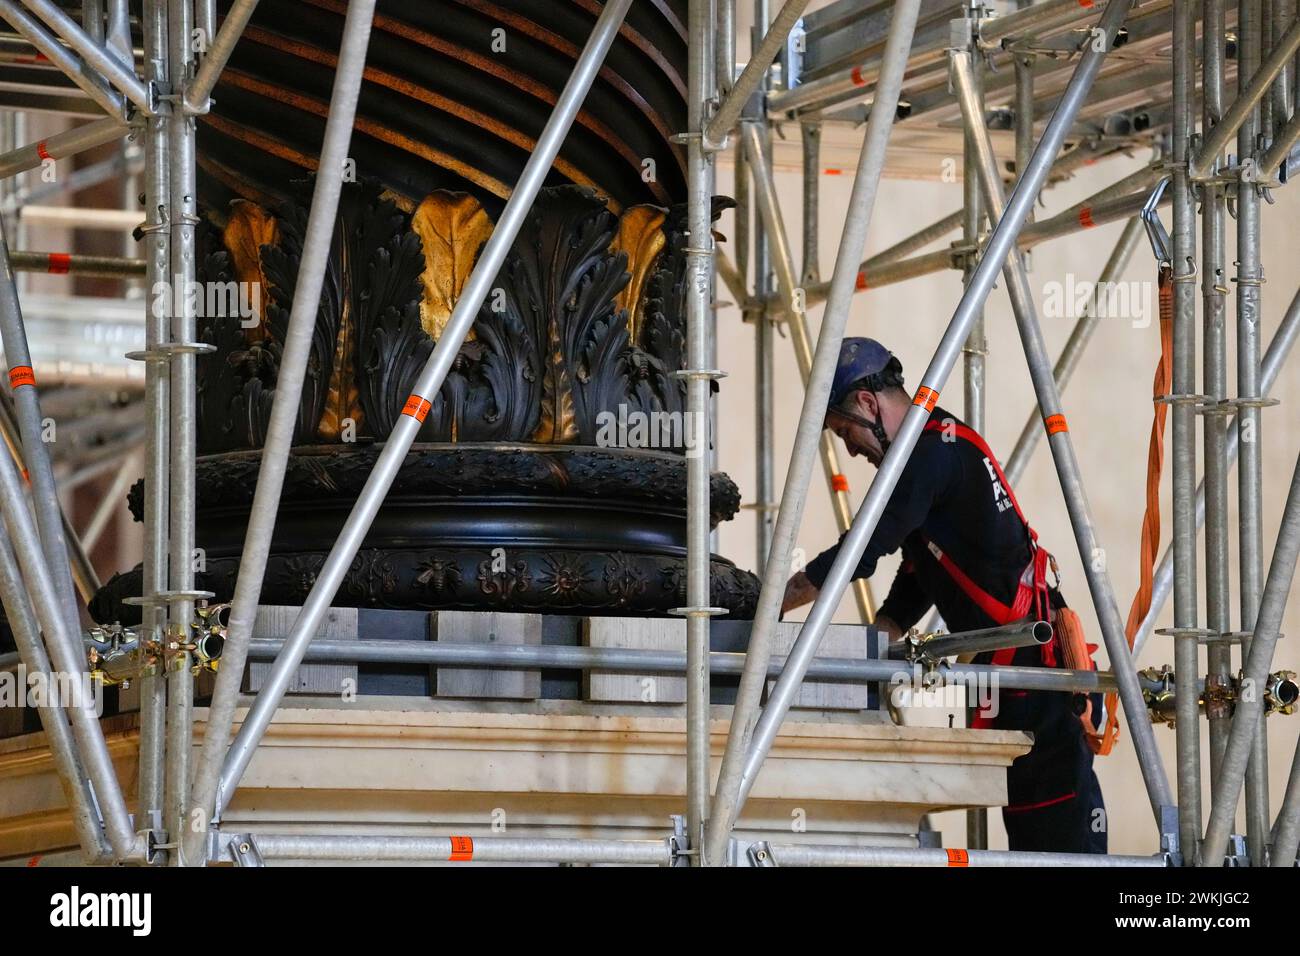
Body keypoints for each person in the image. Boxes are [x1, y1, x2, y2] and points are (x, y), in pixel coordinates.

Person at [782, 337, 1106, 854]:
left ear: (868, 404)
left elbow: (862, 548)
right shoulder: (932, 448)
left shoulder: (927, 453)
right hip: (1015, 678)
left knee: (1059, 847)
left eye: (845, 432)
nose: (849, 449)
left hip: (1039, 677)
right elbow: (919, 572)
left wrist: (770, 606)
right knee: (1029, 839)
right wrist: (878, 638)